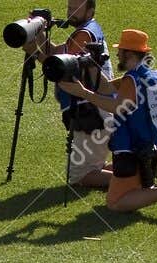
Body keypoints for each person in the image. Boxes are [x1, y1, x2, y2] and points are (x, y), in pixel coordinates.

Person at [63, 27, 157, 217]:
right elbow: (108, 88)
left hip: (141, 151)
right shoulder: (149, 75)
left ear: (129, 54)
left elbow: (116, 106)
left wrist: (83, 93)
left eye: (120, 51)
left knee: (115, 202)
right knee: (121, 187)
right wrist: (93, 67)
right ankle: (154, 173)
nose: (117, 54)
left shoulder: (131, 81)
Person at [34, 1, 114, 189]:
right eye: (70, 9)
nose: (71, 14)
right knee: (92, 167)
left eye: (76, 10)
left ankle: (134, 181)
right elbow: (54, 52)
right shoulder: (88, 29)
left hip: (92, 111)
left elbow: (60, 68)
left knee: (78, 176)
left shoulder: (85, 34)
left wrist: (34, 54)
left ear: (90, 11)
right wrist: (39, 32)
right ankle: (135, 171)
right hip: (97, 108)